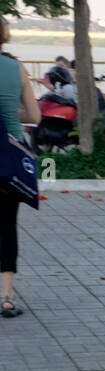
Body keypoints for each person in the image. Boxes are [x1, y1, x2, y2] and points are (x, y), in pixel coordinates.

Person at [0, 20, 39, 318]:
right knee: (7, 226)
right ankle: (6, 298)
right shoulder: (17, 68)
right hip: (9, 157)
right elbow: (35, 116)